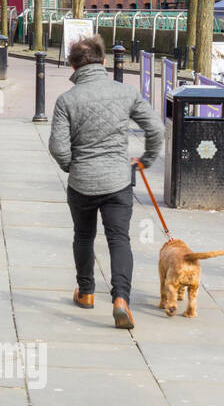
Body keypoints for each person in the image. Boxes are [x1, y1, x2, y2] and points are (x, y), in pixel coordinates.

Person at [48, 35, 164, 329]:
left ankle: (86, 292)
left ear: (73, 65)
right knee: (119, 239)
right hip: (118, 180)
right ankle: (121, 299)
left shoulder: (66, 101)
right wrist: (145, 161)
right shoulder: (126, 93)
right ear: (103, 61)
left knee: (84, 236)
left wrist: (72, 167)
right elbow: (156, 129)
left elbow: (58, 147)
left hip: (82, 181)